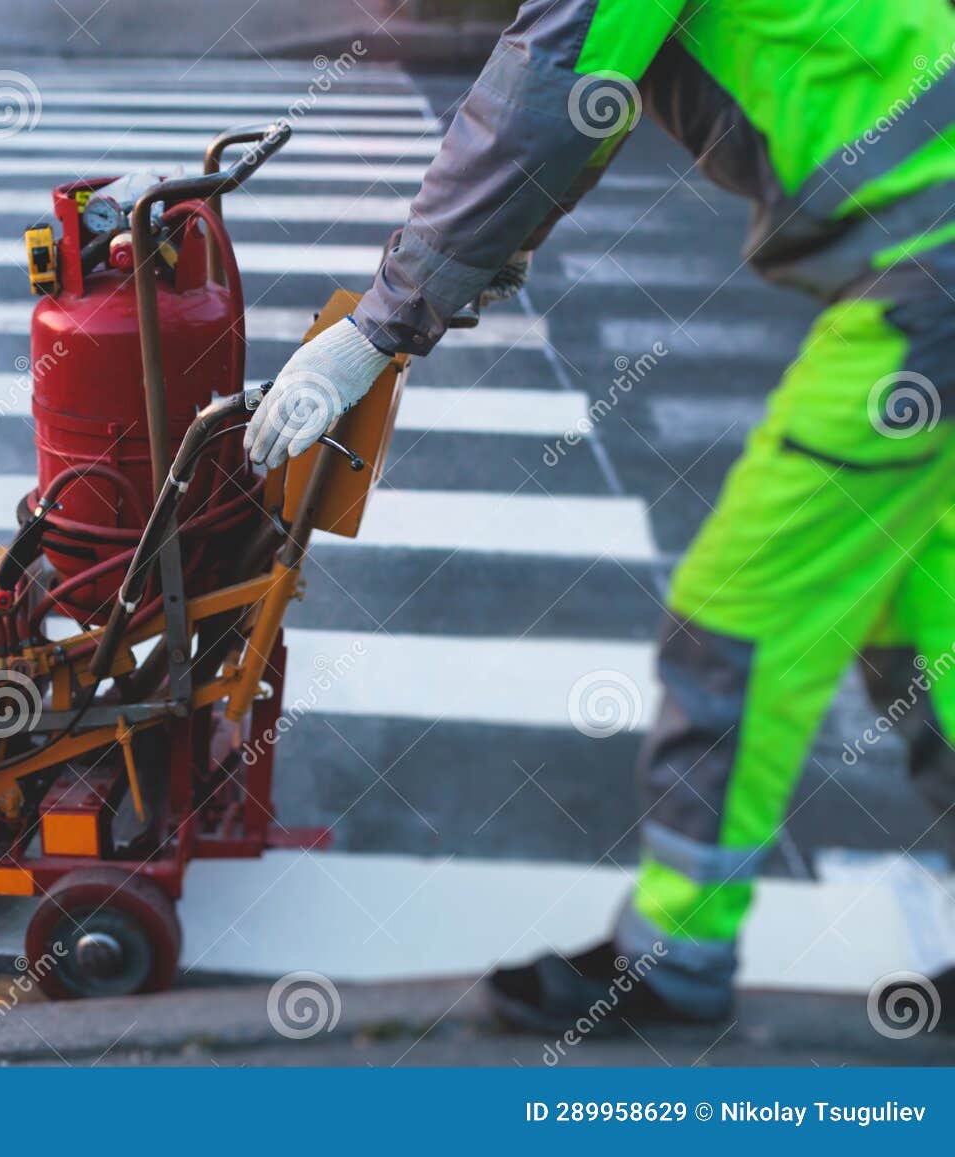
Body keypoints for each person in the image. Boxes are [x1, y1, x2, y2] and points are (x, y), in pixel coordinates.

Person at [244, 0, 955, 1031]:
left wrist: (378, 328)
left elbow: (550, 93)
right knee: (923, 613)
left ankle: (676, 956)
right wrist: (491, 248)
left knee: (740, 617)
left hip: (927, 275)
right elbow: (589, 95)